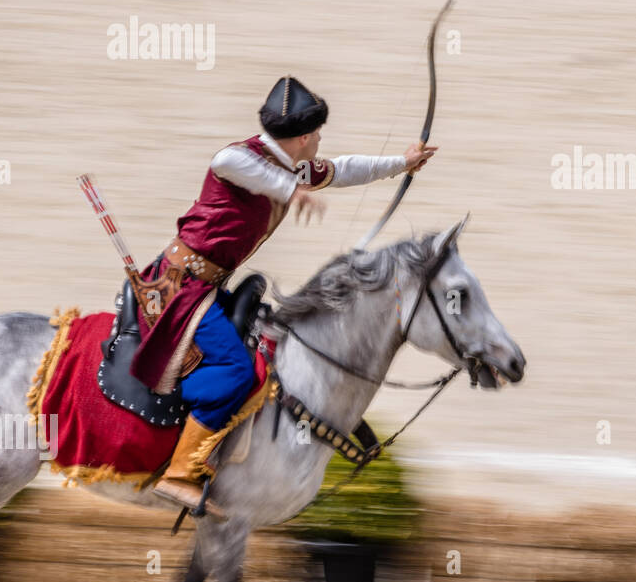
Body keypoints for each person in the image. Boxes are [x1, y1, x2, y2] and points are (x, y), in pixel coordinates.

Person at [131, 75, 437, 514]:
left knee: (266, 352)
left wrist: (401, 163)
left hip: (208, 285)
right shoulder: (241, 157)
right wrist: (291, 191)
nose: (319, 144)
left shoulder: (294, 167)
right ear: (306, 136)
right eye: (318, 136)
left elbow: (345, 169)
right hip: (181, 284)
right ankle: (180, 473)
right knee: (236, 370)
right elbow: (230, 164)